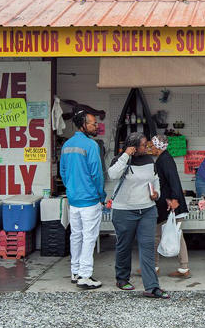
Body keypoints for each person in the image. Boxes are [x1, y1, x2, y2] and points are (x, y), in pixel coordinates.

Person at [108, 132, 169, 298]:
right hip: (124, 210)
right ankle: (122, 278)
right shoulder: (120, 160)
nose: (147, 147)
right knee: (124, 245)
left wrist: (157, 193)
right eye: (143, 145)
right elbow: (112, 175)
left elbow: (155, 179)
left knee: (148, 247)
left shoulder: (150, 160)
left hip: (148, 209)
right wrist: (126, 155)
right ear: (133, 147)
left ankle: (152, 286)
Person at [60, 110, 106, 290]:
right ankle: (85, 276)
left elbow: (63, 173)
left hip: (74, 200)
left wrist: (71, 189)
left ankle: (75, 271)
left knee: (76, 236)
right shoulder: (91, 145)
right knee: (89, 237)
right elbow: (97, 175)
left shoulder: (67, 145)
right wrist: (101, 195)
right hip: (90, 200)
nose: (96, 126)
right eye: (93, 123)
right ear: (82, 125)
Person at [152, 134, 191, 279]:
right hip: (167, 204)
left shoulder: (165, 160)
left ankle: (156, 267)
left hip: (171, 205)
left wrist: (175, 199)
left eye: (152, 145)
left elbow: (173, 180)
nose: (151, 148)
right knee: (172, 235)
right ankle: (181, 268)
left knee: (162, 235)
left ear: (158, 147)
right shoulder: (163, 159)